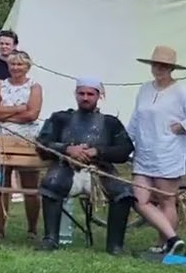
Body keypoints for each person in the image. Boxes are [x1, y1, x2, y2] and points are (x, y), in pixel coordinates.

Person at [35, 77, 136, 254]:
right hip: (66, 169)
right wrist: (67, 149)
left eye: (90, 94)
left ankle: (115, 245)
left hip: (99, 171)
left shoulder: (111, 123)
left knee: (124, 192)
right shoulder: (60, 118)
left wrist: (98, 152)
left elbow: (125, 149)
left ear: (99, 96)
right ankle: (51, 239)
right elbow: (42, 143)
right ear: (75, 94)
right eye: (81, 93)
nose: (85, 98)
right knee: (51, 184)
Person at [128, 45, 186, 254]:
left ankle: (164, 244)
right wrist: (127, 142)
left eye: (164, 65)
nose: (159, 68)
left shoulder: (180, 91)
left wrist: (183, 127)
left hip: (169, 152)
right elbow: (136, 118)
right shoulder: (145, 89)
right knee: (139, 200)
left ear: (171, 68)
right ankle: (173, 239)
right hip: (145, 151)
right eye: (156, 64)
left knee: (166, 200)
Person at [0, 50, 43, 239]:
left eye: (20, 64)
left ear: (27, 66)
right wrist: (19, 108)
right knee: (1, 185)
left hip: (27, 137)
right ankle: (0, 229)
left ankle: (32, 229)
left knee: (30, 186)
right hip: (2, 137)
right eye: (12, 64)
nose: (16, 68)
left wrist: (6, 113)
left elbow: (32, 114)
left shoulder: (35, 87)